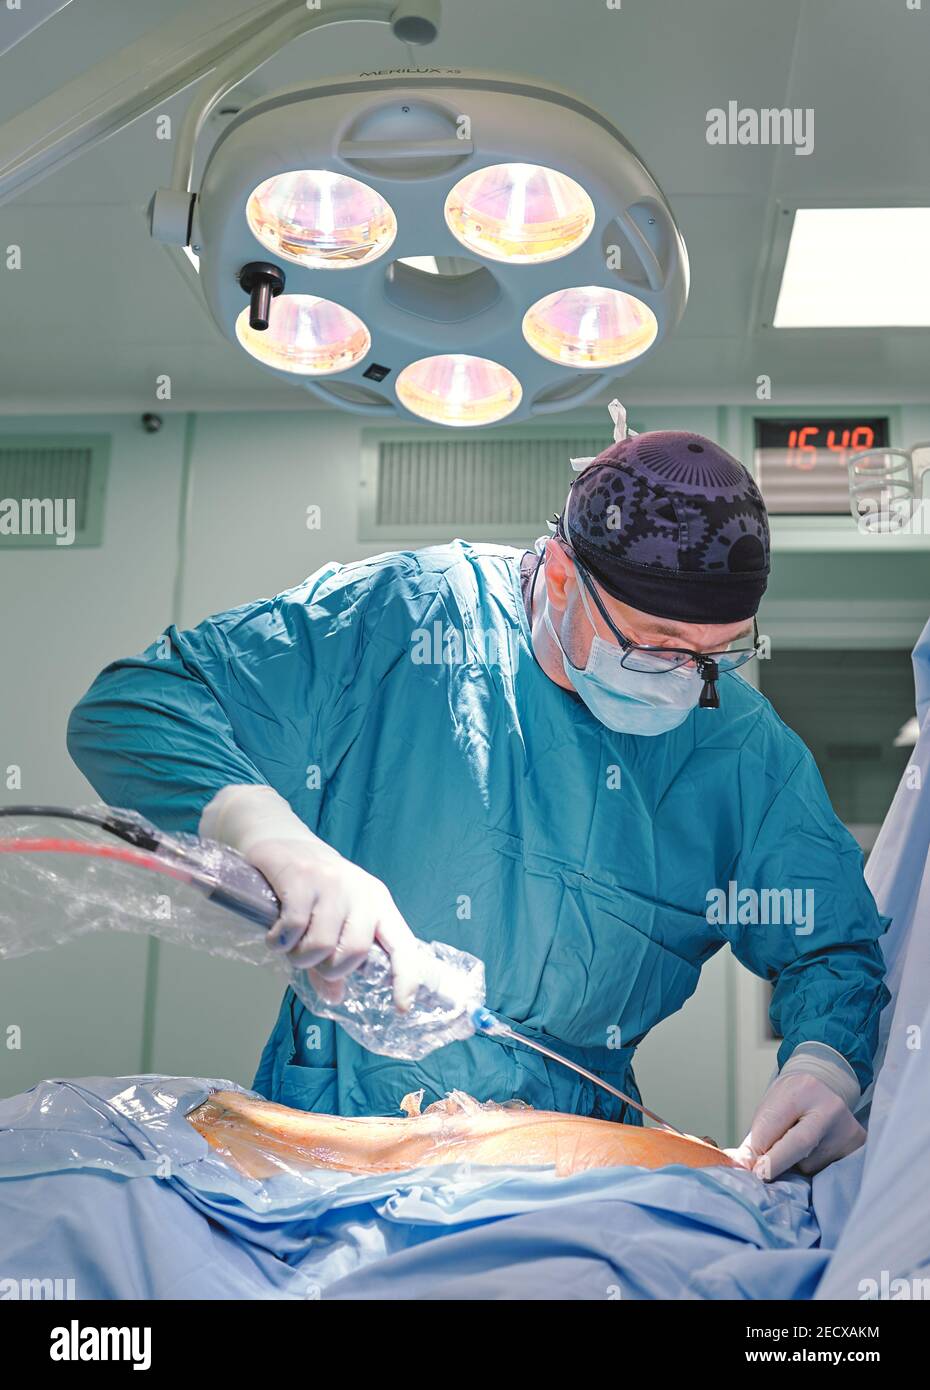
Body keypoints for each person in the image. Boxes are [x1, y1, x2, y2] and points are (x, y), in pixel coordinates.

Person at [67, 404, 888, 1180]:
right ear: (562, 578)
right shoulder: (414, 619)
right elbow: (136, 705)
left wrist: (824, 1061)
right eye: (658, 645)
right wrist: (270, 835)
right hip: (345, 1139)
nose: (686, 681)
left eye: (716, 655)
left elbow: (829, 946)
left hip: (569, 1156)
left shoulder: (740, 744)